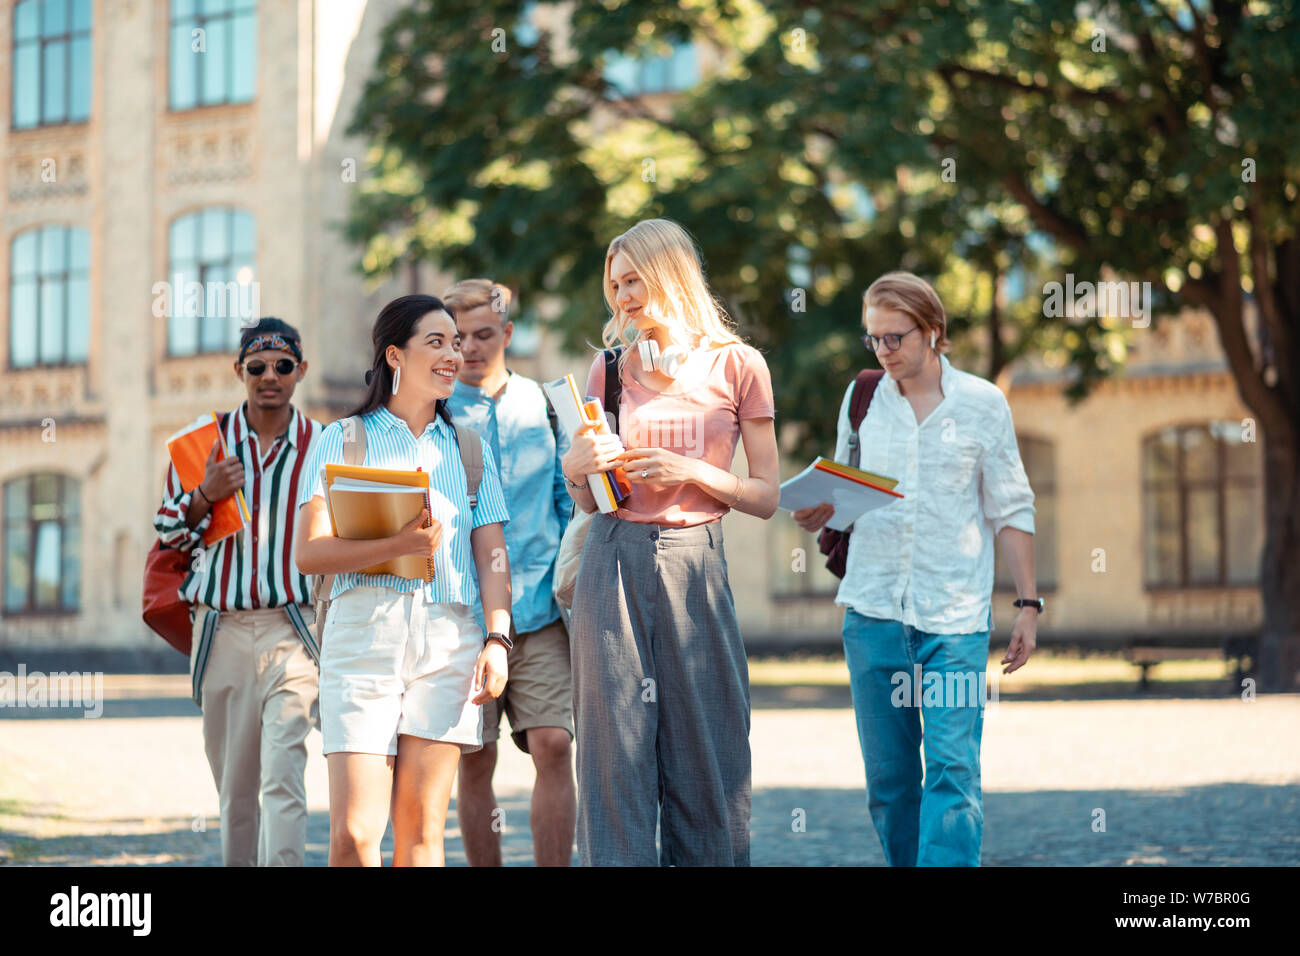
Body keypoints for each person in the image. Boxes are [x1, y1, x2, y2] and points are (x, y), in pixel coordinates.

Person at [793, 271, 1040, 867]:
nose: (883, 351)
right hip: (873, 616)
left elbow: (1012, 507)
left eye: (895, 338)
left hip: (953, 621)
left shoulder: (983, 404)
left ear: (932, 331)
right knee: (891, 783)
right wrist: (825, 510)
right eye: (872, 339)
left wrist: (1028, 605)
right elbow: (846, 494)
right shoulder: (862, 402)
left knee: (953, 774)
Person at [561, 218, 780, 866]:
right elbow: (586, 498)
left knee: (708, 754)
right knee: (612, 760)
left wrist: (692, 472)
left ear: (671, 273)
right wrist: (579, 464)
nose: (623, 296)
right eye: (616, 284)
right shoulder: (605, 370)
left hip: (697, 564)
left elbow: (766, 495)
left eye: (634, 279)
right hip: (613, 560)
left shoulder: (739, 365)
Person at [293, 294, 512, 867]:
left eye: (456, 343)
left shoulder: (470, 449)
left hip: (449, 643)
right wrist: (399, 546)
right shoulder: (342, 440)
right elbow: (308, 554)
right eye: (436, 342)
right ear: (395, 354)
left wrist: (498, 639)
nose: (453, 354)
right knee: (355, 836)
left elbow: (492, 557)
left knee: (420, 840)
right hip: (363, 638)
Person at [153, 317, 324, 867]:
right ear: (239, 371)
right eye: (256, 367)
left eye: (281, 366)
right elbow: (168, 532)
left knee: (284, 778)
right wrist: (205, 493)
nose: (268, 376)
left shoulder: (324, 445)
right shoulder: (205, 442)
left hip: (293, 630)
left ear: (300, 371)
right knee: (236, 790)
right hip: (222, 629)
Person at [444, 279, 577, 867]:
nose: (470, 348)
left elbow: (567, 503)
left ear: (508, 333)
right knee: (475, 757)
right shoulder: (436, 413)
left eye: (483, 335)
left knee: (554, 745)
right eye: (458, 337)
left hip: (541, 611)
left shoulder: (546, 405)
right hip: (465, 618)